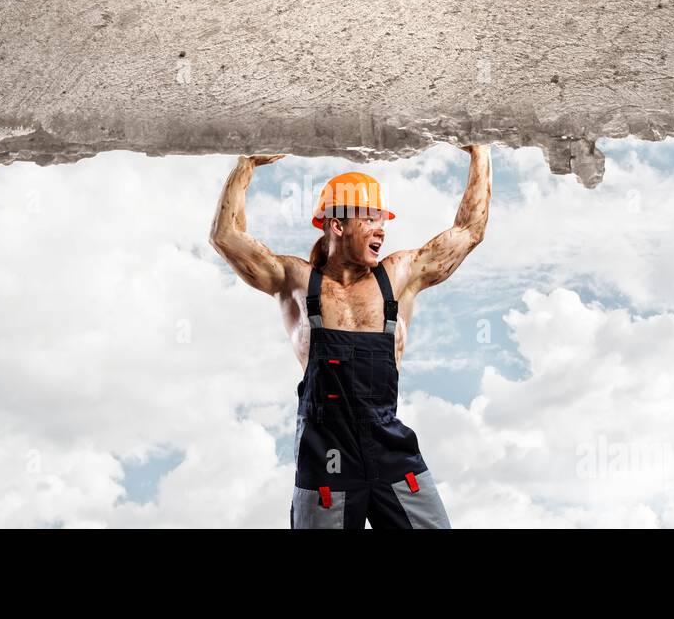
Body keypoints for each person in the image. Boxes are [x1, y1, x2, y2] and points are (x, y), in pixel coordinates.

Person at [209, 144, 491, 528]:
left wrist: (480, 151)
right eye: (370, 219)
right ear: (337, 225)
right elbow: (226, 235)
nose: (381, 229)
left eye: (383, 221)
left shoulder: (398, 275)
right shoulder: (295, 280)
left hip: (391, 453)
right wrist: (246, 164)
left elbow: (468, 231)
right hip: (325, 458)